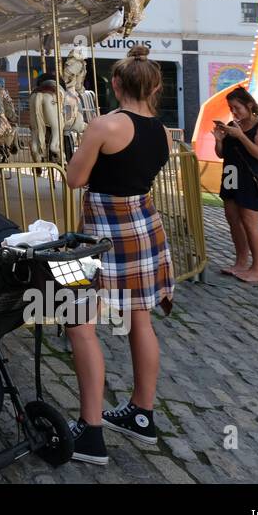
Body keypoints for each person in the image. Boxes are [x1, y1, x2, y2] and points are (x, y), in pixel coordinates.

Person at [64, 45, 173, 466]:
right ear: (156, 87)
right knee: (139, 319)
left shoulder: (104, 126)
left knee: (79, 323)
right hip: (145, 225)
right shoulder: (162, 131)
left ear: (113, 84)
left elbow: (75, 179)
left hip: (103, 231)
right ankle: (141, 413)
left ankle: (90, 431)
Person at [214, 86, 258, 284]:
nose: (234, 112)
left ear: (249, 105)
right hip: (231, 177)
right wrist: (219, 140)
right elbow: (223, 154)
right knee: (233, 219)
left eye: (237, 107)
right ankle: (241, 262)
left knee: (250, 222)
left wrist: (240, 136)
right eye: (231, 108)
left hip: (253, 180)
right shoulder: (233, 125)